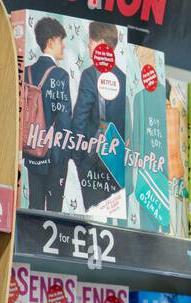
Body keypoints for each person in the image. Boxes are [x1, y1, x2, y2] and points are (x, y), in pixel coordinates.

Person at [72, 22, 127, 214]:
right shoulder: (124, 78)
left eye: (91, 40)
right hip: (116, 166)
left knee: (92, 222)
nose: (88, 45)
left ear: (101, 43)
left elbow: (79, 121)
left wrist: (78, 161)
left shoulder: (90, 75)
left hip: (93, 163)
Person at [22, 16, 74, 211]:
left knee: (34, 206)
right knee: (54, 210)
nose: (64, 46)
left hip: (31, 151)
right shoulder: (60, 75)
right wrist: (63, 159)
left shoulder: (26, 72)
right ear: (50, 42)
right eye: (61, 41)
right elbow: (64, 121)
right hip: (53, 157)